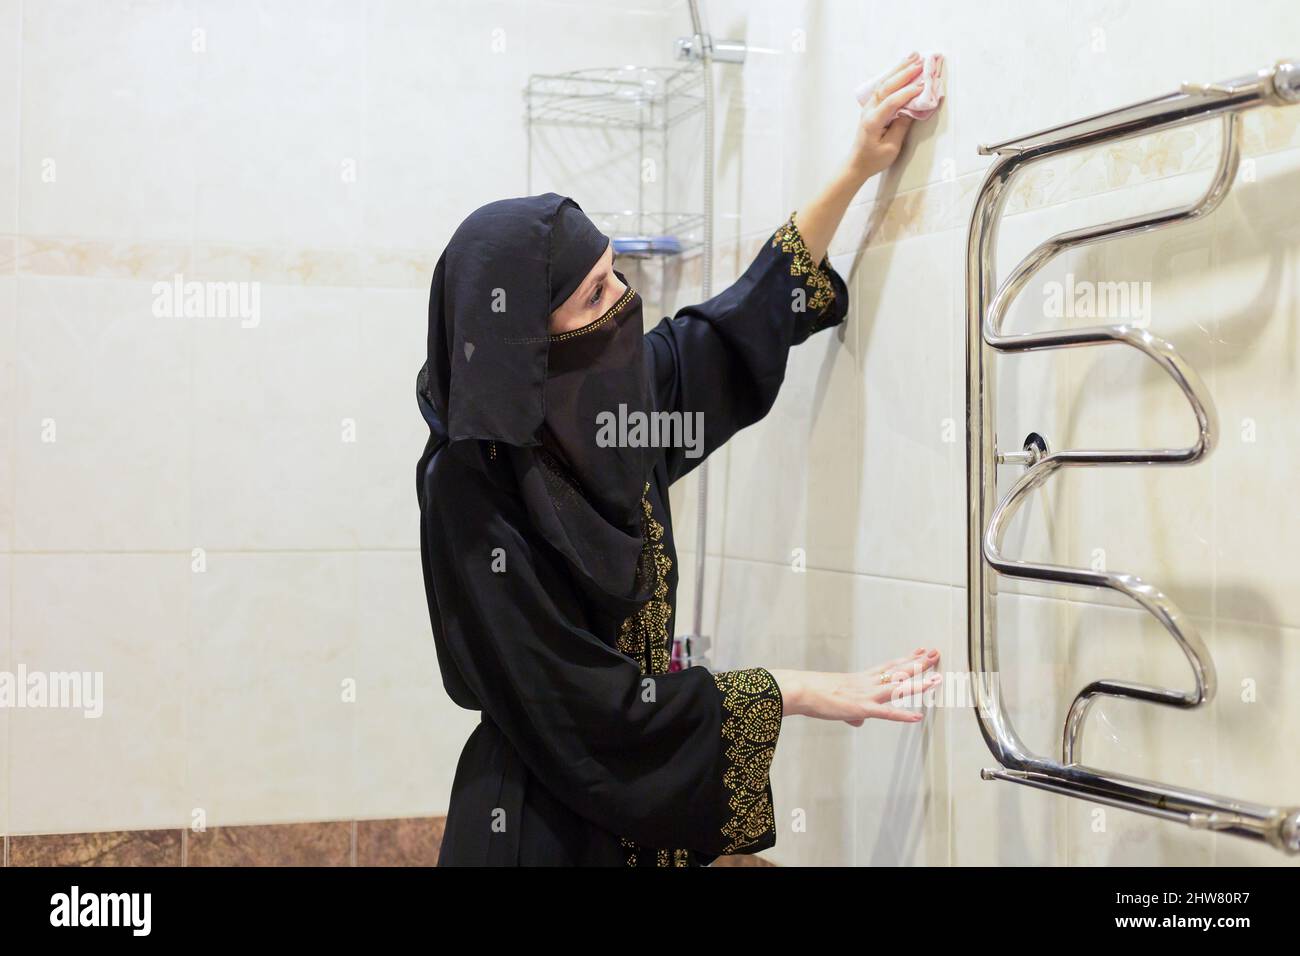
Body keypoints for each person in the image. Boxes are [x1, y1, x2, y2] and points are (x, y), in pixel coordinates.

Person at [415, 53, 942, 866]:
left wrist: (857, 168)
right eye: (593, 297)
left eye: (615, 275)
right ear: (523, 346)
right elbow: (585, 706)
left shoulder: (617, 406)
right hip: (533, 831)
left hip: (634, 813)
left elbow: (729, 329)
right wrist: (796, 691)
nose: (623, 303)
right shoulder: (470, 490)